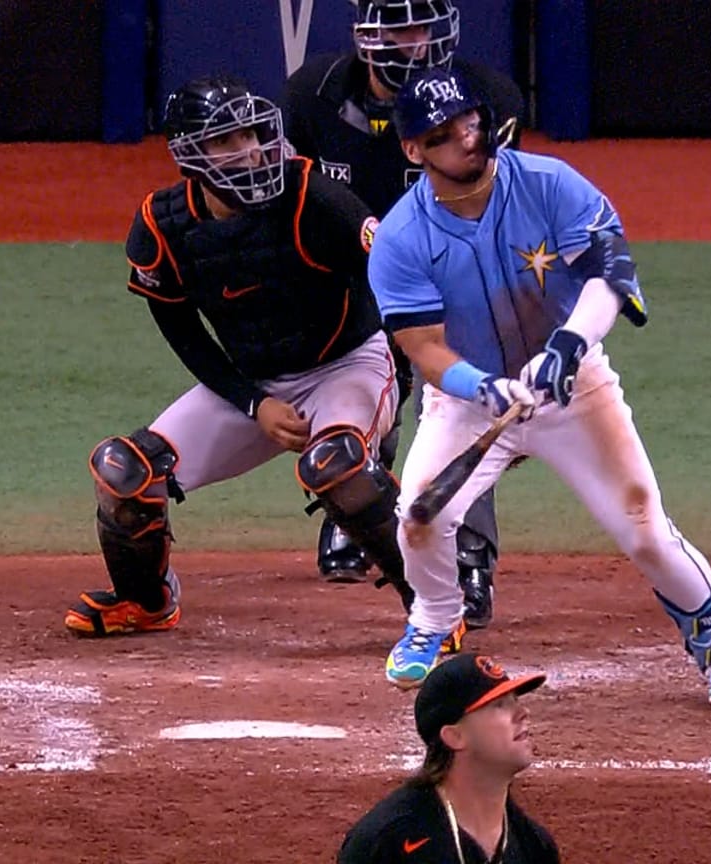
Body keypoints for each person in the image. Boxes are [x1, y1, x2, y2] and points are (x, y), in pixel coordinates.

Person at [367, 67, 711, 707]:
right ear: (414, 151)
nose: (468, 137)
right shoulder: (401, 237)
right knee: (419, 513)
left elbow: (612, 272)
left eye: (471, 120)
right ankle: (436, 620)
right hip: (470, 400)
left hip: (571, 388)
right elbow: (424, 349)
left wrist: (568, 345)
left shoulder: (548, 184)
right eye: (445, 133)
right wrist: (485, 389)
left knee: (643, 528)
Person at [63, 74, 414, 636]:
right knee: (123, 471)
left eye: (251, 136)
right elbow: (184, 332)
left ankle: (432, 604)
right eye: (227, 142)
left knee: (338, 468)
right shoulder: (163, 225)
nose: (248, 151)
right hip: (256, 384)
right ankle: (145, 601)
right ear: (191, 154)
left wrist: (405, 381)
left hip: (350, 365)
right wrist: (254, 404)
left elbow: (398, 279)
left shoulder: (310, 195)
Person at [283, 0, 524, 630]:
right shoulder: (312, 94)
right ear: (364, 34)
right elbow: (293, 198)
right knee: (361, 380)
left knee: (459, 403)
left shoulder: (486, 97)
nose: (405, 41)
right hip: (347, 272)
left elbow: (484, 202)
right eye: (392, 26)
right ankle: (358, 520)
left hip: (451, 265)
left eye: (417, 25)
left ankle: (469, 557)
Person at [337, 653, 560, 863]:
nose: (522, 713)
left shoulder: (534, 848)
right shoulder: (386, 843)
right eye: (499, 705)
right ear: (454, 736)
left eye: (515, 701)